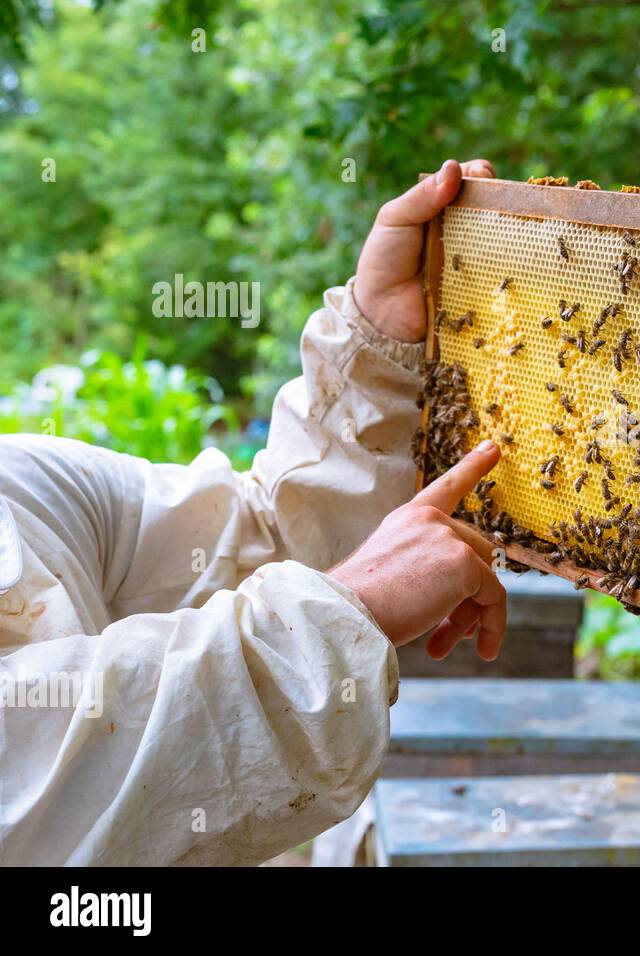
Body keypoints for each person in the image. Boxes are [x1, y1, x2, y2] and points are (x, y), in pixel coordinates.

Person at [0, 158, 504, 865]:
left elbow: (257, 538)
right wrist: (349, 606)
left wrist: (380, 345)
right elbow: (54, 799)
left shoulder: (19, 486)